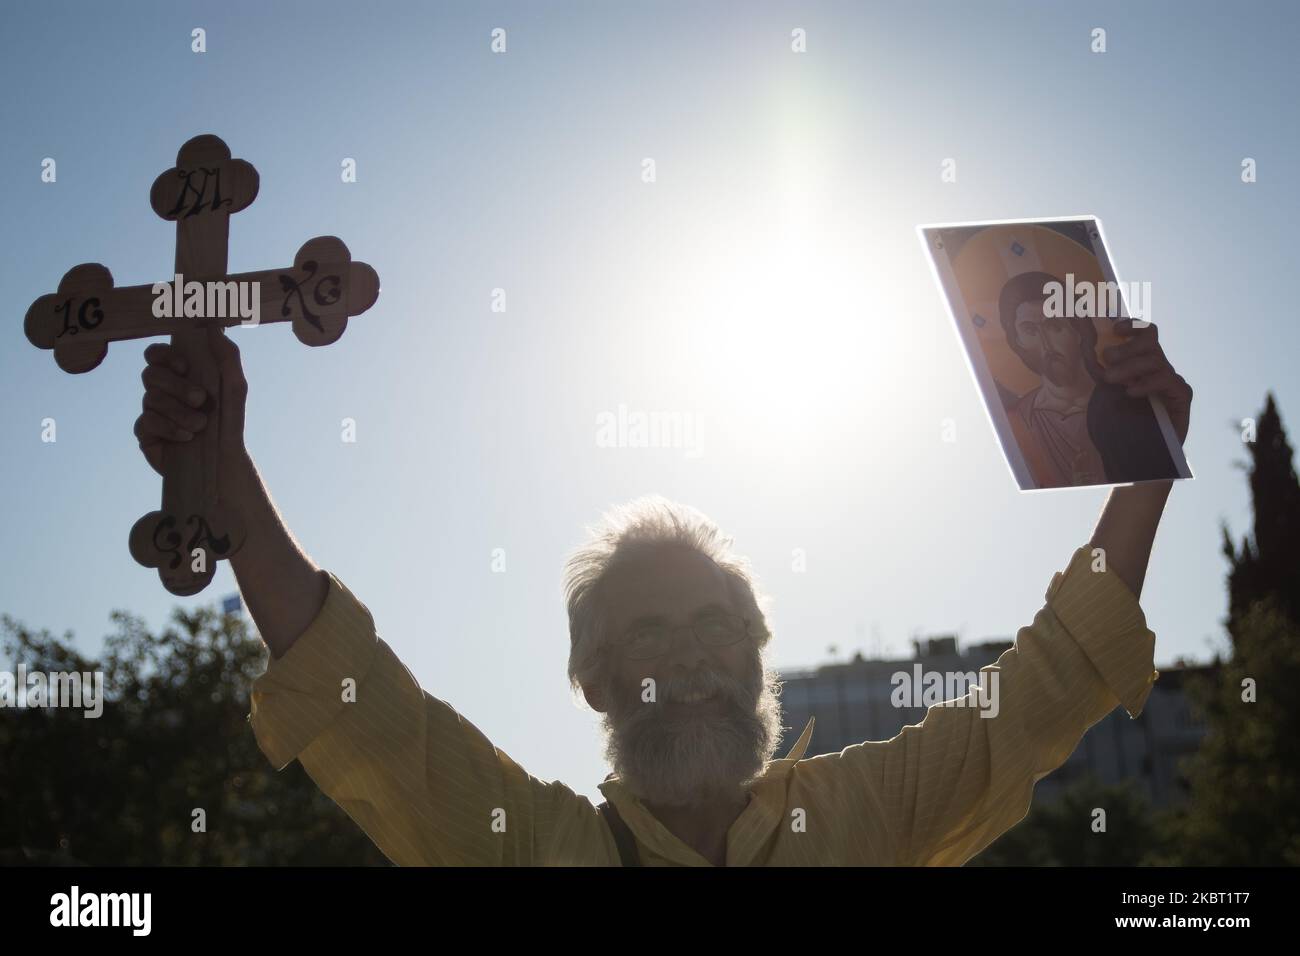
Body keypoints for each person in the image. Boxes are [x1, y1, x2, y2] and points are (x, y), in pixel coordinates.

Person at [133, 322, 1192, 865]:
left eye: (716, 627)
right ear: (592, 681)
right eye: (647, 632)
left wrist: (1145, 459)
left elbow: (1050, 678)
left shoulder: (865, 811)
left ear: (756, 655)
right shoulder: (533, 843)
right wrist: (227, 479)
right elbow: (363, 709)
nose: (689, 658)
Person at [997, 270, 1180, 487]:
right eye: (1030, 331)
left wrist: (1165, 442)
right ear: (1016, 341)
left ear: (1079, 329)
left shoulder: (1124, 401)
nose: (1046, 345)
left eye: (1055, 326)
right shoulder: (1019, 421)